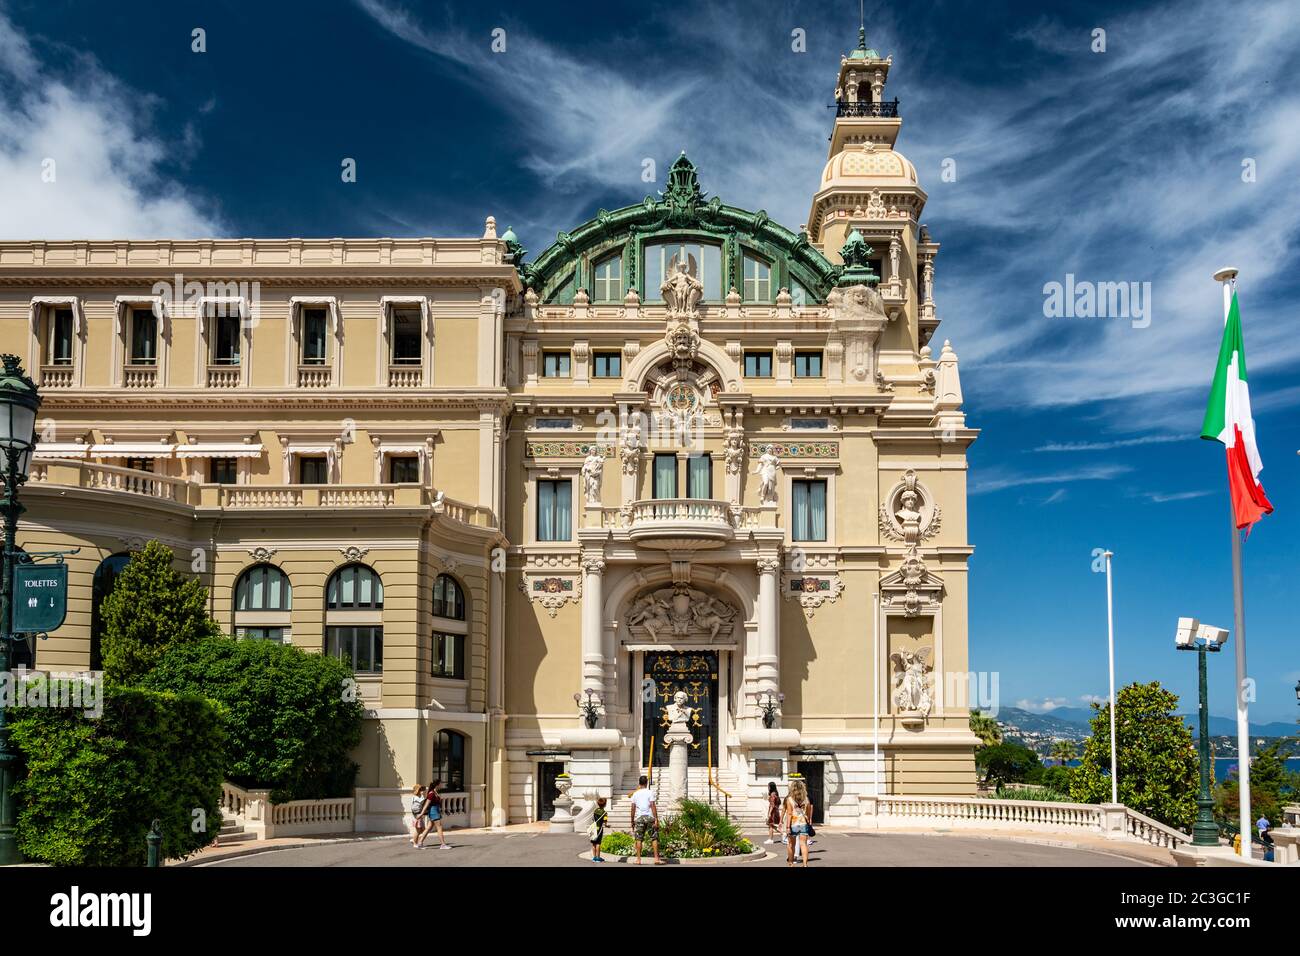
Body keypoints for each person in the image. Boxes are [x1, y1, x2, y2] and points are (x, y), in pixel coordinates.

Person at [629, 775, 661, 865]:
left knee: (638, 839)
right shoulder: (650, 792)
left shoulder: (635, 794)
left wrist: (632, 821)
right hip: (650, 817)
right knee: (654, 838)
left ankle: (638, 860)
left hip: (639, 818)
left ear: (639, 783)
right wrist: (656, 819)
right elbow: (652, 806)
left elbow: (633, 808)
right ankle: (656, 859)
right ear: (646, 783)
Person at [783, 779, 814, 867]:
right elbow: (808, 812)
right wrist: (807, 820)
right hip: (803, 824)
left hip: (793, 824)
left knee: (791, 844)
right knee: (803, 844)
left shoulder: (790, 799)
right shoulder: (806, 799)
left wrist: (788, 827)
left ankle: (791, 863)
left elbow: (789, 813)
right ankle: (805, 864)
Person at [416, 779, 450, 850]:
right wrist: (421, 813)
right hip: (433, 811)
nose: (442, 785)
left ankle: (420, 843)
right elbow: (426, 804)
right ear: (437, 784)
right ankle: (443, 845)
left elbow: (437, 803)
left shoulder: (435, 792)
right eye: (441, 783)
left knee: (429, 828)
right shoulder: (431, 793)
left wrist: (445, 810)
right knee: (439, 827)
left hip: (436, 811)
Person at [589, 796, 609, 862]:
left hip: (593, 828)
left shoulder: (595, 810)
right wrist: (607, 825)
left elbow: (593, 819)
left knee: (593, 843)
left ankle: (594, 857)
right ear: (605, 804)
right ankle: (598, 857)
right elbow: (605, 822)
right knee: (598, 843)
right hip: (599, 829)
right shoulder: (604, 813)